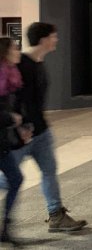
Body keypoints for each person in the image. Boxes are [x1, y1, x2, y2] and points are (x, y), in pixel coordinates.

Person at [1, 23, 87, 232]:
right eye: (53, 36)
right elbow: (15, 99)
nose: (56, 40)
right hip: (22, 134)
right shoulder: (22, 64)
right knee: (9, 178)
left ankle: (56, 215)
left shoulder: (38, 62)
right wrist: (22, 127)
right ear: (43, 39)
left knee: (49, 171)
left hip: (41, 131)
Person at [0, 37, 30, 244]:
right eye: (14, 48)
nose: (18, 51)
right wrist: (11, 119)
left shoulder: (11, 75)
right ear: (4, 52)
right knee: (15, 178)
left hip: (3, 140)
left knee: (16, 178)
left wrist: (19, 125)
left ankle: (6, 229)